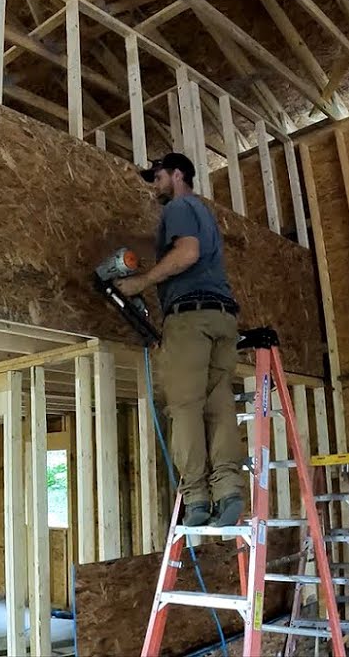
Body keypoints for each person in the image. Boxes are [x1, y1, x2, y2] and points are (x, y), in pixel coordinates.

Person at [114, 153, 244, 528]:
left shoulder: (180, 207)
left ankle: (199, 499)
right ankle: (229, 492)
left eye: (158, 176)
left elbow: (187, 252)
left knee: (185, 406)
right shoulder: (204, 212)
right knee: (218, 406)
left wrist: (141, 282)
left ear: (177, 174)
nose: (155, 184)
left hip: (190, 318)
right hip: (222, 317)